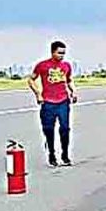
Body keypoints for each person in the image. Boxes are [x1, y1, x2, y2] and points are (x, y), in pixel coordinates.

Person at [28, 38, 77, 167]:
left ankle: (65, 154)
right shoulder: (42, 65)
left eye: (63, 53)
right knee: (49, 129)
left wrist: (73, 91)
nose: (62, 56)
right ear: (52, 52)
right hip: (48, 102)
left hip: (63, 101)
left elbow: (69, 80)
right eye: (59, 53)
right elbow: (31, 80)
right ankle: (51, 154)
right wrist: (38, 94)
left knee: (65, 128)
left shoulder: (66, 66)